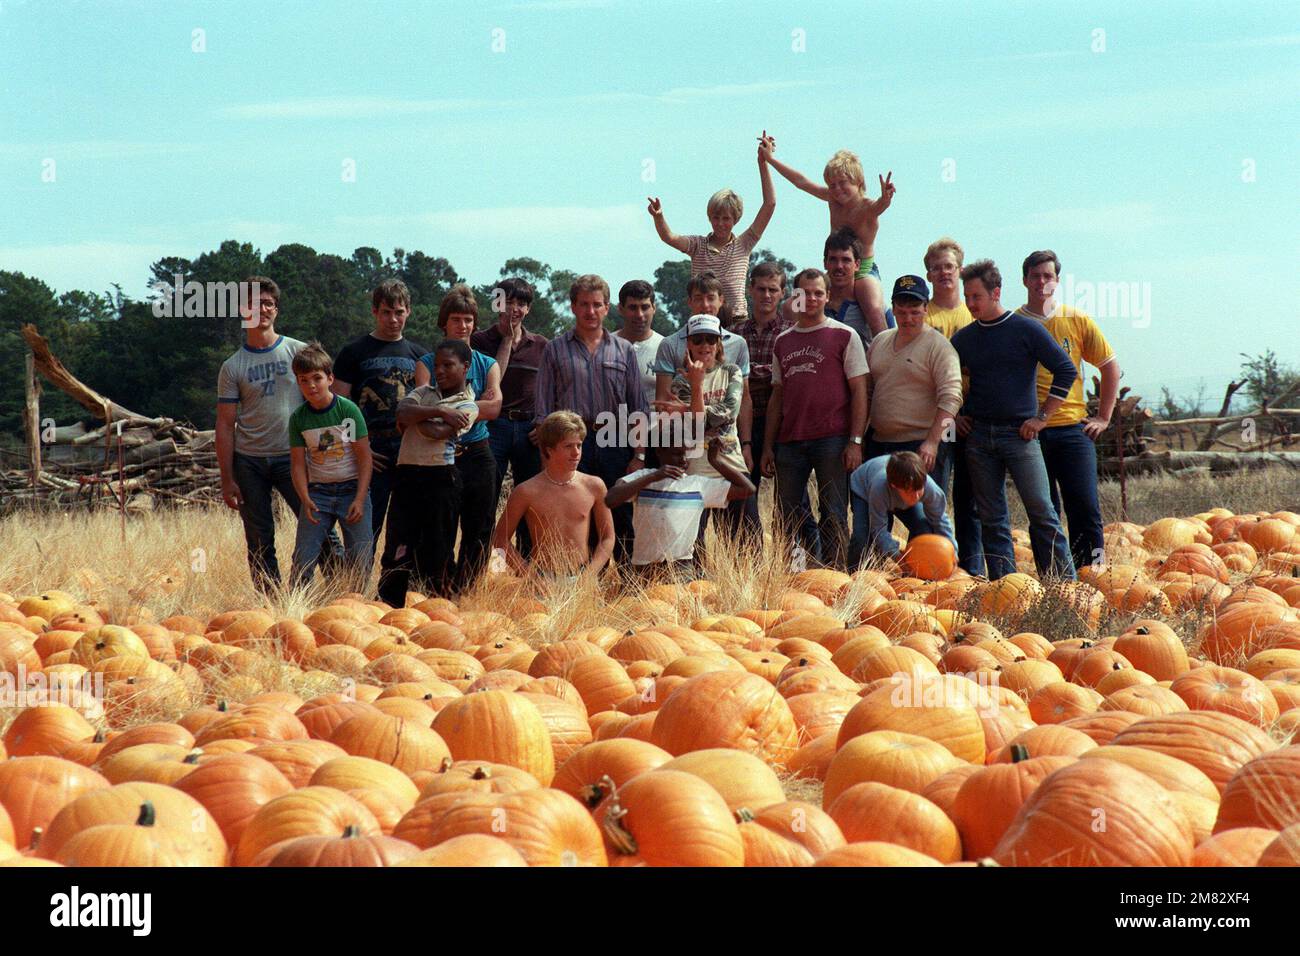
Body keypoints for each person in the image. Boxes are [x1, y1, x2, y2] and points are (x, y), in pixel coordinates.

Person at [952, 259, 1076, 580]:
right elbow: (944, 379)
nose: (970, 303)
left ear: (996, 293)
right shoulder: (964, 339)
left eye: (976, 296)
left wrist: (1042, 418)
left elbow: (1066, 369)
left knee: (1043, 514)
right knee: (992, 520)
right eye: (967, 296)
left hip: (1020, 435)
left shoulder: (1026, 329)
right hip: (979, 437)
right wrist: (956, 414)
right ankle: (1005, 589)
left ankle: (1063, 587)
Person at [216, 276, 339, 590]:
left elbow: (325, 407)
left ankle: (343, 592)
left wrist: (328, 458)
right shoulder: (233, 367)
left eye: (269, 303)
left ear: (276, 309)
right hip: (250, 461)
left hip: (294, 456)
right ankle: (270, 604)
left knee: (318, 523)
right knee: (259, 536)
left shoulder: (298, 353)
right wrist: (227, 477)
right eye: (255, 304)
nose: (263, 309)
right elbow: (225, 425)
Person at [1015, 249, 1121, 574]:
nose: (1042, 282)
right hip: (1032, 433)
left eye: (1048, 276)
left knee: (1085, 507)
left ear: (1057, 281)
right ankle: (1055, 579)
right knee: (1045, 511)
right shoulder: (1014, 323)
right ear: (1025, 280)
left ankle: (1093, 574)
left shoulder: (1076, 320)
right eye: (1035, 276)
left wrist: (1103, 417)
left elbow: (1110, 368)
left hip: (1074, 429)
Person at [533, 274, 648, 563]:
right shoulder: (555, 349)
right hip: (570, 443)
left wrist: (640, 455)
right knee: (575, 513)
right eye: (584, 304)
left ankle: (627, 585)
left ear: (608, 308)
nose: (591, 311)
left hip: (614, 438)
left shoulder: (623, 350)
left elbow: (639, 408)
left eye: (597, 304)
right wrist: (548, 457)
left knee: (618, 513)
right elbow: (544, 409)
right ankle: (580, 584)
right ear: (573, 306)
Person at [760, 268, 869, 570]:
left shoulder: (844, 335)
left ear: (828, 296)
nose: (811, 298)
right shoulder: (783, 341)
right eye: (804, 292)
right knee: (785, 513)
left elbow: (860, 390)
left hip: (832, 438)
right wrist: (768, 446)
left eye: (818, 292)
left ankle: (834, 576)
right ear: (794, 296)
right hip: (790, 440)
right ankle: (787, 574)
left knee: (833, 510)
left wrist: (855, 441)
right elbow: (777, 397)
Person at [414, 284, 502, 592]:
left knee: (479, 527)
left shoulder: (487, 363)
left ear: (475, 323)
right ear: (444, 323)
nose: (462, 326)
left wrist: (448, 407)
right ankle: (441, 591)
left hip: (478, 451)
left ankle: (468, 590)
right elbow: (424, 407)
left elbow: (495, 407)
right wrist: (474, 406)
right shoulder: (427, 363)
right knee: (438, 527)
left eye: (467, 320)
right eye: (455, 319)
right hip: (440, 453)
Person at [378, 339, 479, 606]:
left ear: (465, 367)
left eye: (448, 365)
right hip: (407, 476)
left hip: (440, 479)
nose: (441, 371)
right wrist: (439, 410)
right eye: (437, 366)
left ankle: (439, 608)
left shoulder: (469, 405)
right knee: (398, 545)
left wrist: (418, 418)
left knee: (438, 547)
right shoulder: (423, 391)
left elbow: (433, 432)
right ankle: (390, 605)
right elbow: (401, 411)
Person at [763, 139, 895, 336]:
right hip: (835, 270)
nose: (837, 190)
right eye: (832, 185)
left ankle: (886, 353)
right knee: (792, 305)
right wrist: (770, 160)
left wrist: (886, 198)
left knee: (873, 307)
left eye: (843, 184)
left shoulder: (866, 206)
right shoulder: (832, 200)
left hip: (862, 271)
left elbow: (880, 207)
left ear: (858, 182)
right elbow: (802, 182)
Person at [332, 279, 427, 549]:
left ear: (408, 311)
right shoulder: (353, 353)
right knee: (364, 528)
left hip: (410, 451)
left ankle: (400, 588)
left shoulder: (420, 355)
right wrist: (357, 448)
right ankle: (356, 589)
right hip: (370, 451)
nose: (393, 319)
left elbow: (426, 403)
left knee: (408, 526)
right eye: (386, 312)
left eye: (399, 312)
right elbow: (338, 406)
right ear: (374, 311)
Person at [647, 131, 776, 324]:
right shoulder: (697, 245)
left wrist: (763, 163)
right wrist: (659, 217)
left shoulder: (744, 244)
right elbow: (669, 237)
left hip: (737, 321)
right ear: (709, 218)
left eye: (726, 218)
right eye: (716, 218)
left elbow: (769, 204)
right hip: (703, 321)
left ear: (735, 219)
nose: (721, 223)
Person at [732, 263, 818, 549]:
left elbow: (786, 379)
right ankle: (748, 563)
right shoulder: (733, 334)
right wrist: (765, 374)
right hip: (741, 425)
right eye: (760, 289)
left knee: (793, 499)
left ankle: (812, 561)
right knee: (742, 498)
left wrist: (749, 374)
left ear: (783, 293)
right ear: (750, 289)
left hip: (781, 425)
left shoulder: (791, 333)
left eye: (773, 289)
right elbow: (730, 377)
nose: (766, 295)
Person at [606, 424, 755, 581]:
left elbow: (747, 489)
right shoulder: (644, 478)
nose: (683, 460)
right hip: (645, 570)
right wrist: (654, 476)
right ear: (659, 452)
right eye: (677, 453)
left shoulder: (697, 485)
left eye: (686, 454)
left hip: (682, 570)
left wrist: (715, 461)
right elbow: (611, 499)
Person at [471, 277, 548, 559]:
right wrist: (506, 340)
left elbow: (552, 388)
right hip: (493, 426)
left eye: (521, 303)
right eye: (508, 302)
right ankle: (485, 567)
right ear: (497, 304)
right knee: (486, 499)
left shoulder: (540, 345)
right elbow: (492, 387)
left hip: (529, 429)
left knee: (531, 500)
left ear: (528, 309)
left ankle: (527, 571)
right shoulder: (479, 340)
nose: (514, 309)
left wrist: (545, 423)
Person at [493, 411, 615, 585]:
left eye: (579, 445)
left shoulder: (594, 486)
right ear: (549, 449)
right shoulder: (526, 491)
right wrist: (528, 575)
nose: (576, 453)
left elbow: (608, 538)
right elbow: (499, 540)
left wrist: (589, 574)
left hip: (582, 578)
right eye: (568, 446)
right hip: (542, 579)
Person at [287, 343, 374, 587]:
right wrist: (304, 498)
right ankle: (296, 604)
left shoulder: (348, 411)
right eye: (304, 380)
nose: (311, 386)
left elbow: (364, 457)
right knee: (304, 555)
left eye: (317, 378)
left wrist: (359, 497)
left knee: (361, 555)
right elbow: (297, 464)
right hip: (318, 493)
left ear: (330, 378)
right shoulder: (298, 418)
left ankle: (356, 604)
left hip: (351, 489)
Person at [924, 236, 982, 576]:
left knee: (971, 500)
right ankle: (937, 567)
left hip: (975, 417)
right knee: (936, 495)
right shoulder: (924, 314)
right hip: (940, 418)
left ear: (959, 270)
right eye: (936, 267)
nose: (943, 272)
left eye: (949, 266)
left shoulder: (972, 313)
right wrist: (951, 415)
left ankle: (972, 572)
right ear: (929, 274)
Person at [864, 275, 961, 473]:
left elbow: (952, 398)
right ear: (892, 309)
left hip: (921, 445)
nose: (908, 319)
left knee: (924, 504)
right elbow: (866, 392)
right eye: (901, 312)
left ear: (926, 308)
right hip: (878, 443)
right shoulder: (879, 341)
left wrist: (932, 443)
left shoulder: (939, 347)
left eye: (915, 312)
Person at [848, 452, 956, 569]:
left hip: (893, 493)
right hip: (864, 489)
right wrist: (897, 557)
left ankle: (915, 574)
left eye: (919, 490)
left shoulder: (929, 488)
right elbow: (879, 529)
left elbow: (940, 521)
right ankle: (855, 573)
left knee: (923, 526)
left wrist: (952, 551)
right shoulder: (879, 488)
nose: (916, 496)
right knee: (862, 537)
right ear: (894, 486)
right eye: (910, 491)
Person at [823, 227, 880, 349]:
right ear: (825, 263)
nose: (839, 266)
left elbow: (888, 344)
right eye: (833, 259)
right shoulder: (813, 301)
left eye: (846, 260)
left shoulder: (872, 306)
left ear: (857, 265)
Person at [614, 279, 663, 410]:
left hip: (654, 428)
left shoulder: (665, 347)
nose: (639, 315)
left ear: (654, 308)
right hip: (611, 426)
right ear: (620, 309)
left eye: (645, 307)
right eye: (633, 307)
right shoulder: (605, 346)